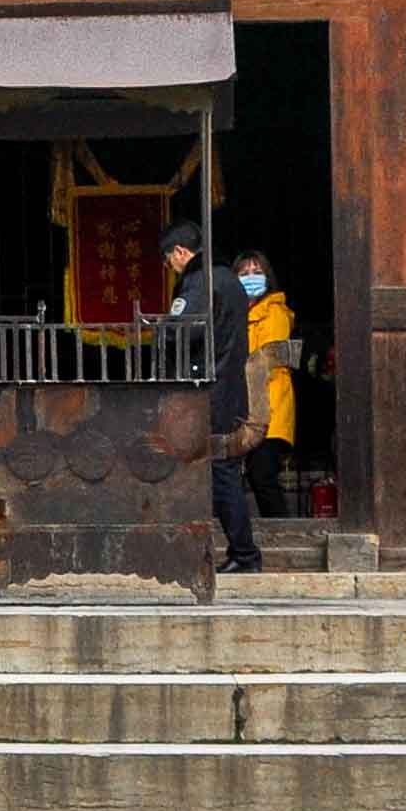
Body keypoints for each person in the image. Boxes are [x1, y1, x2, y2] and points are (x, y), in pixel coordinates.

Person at [162, 225, 263, 575]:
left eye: (168, 260)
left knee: (219, 471)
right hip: (228, 387)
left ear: (179, 252)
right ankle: (235, 551)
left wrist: (162, 330)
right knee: (221, 470)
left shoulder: (200, 283)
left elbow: (182, 331)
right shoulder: (227, 280)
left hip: (209, 392)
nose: (170, 267)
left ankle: (245, 554)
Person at [239, 251, 298, 522]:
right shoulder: (241, 312)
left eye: (256, 272)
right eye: (244, 273)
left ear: (268, 277)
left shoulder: (274, 312)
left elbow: (265, 360)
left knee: (262, 474)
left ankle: (281, 529)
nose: (251, 278)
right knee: (253, 474)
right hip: (248, 409)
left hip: (270, 406)